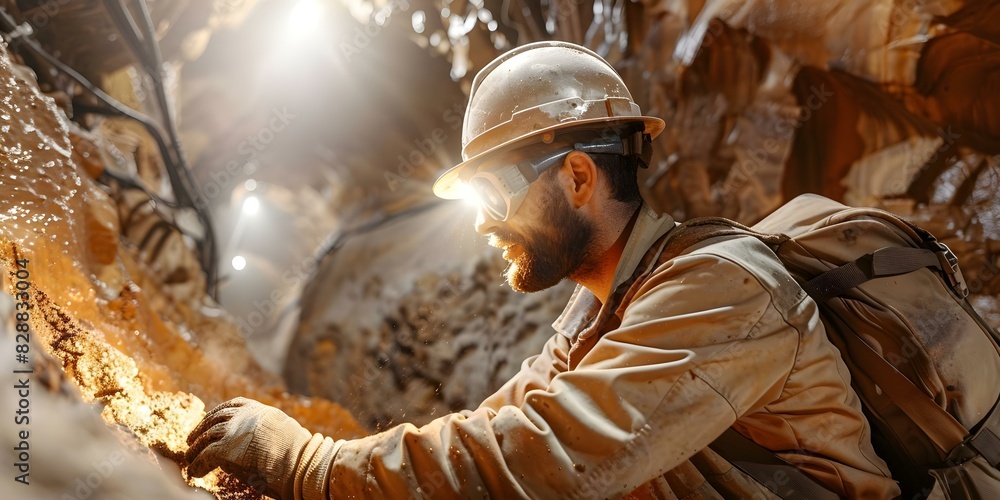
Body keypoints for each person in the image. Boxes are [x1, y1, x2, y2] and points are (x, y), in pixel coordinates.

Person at [185, 41, 901, 499]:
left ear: (578, 176)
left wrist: (311, 467)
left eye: (494, 196)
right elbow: (499, 427)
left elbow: (547, 457)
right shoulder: (598, 309)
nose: (482, 224)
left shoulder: (723, 288)